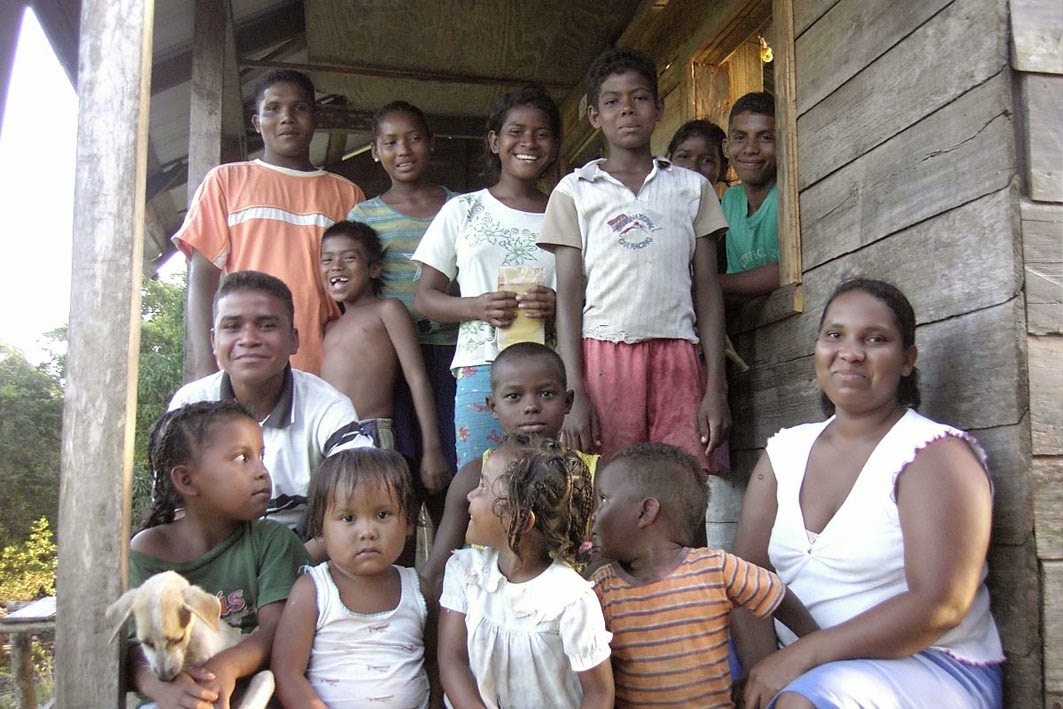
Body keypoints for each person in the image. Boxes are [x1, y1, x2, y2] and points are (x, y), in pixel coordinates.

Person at [732, 278, 1005, 709]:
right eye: (835, 335)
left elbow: (941, 603)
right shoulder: (785, 452)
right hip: (798, 662)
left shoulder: (932, 455)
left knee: (801, 704)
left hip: (924, 664)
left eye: (875, 339)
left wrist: (800, 661)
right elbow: (744, 581)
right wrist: (761, 671)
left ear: (906, 360)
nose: (851, 352)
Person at [537, 47, 730, 472]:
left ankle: (689, 545)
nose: (627, 110)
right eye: (612, 102)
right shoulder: (575, 191)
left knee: (683, 481)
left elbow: (708, 290)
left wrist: (716, 387)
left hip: (678, 352)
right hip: (603, 354)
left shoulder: (691, 188)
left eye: (640, 98)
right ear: (594, 116)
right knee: (608, 487)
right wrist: (575, 392)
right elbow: (567, 297)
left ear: (660, 108)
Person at [590, 442, 816, 707]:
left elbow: (776, 595)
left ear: (646, 512)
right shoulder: (602, 588)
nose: (594, 514)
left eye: (603, 499)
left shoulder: (716, 569)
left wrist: (815, 646)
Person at [176, 69, 366, 377]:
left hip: (324, 367)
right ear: (256, 122)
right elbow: (203, 278)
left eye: (299, 108)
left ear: (315, 119)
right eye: (273, 108)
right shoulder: (226, 181)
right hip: (244, 365)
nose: (287, 117)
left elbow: (359, 294)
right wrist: (205, 367)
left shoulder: (346, 194)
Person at [413, 85, 560, 468]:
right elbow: (425, 297)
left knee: (554, 487)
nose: (528, 142)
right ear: (495, 141)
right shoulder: (463, 210)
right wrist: (476, 306)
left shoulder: (569, 212)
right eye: (516, 132)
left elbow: (594, 291)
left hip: (553, 375)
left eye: (541, 133)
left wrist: (559, 304)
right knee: (484, 482)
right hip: (482, 367)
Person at [128, 401, 311, 707]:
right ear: (186, 480)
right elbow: (133, 645)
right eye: (242, 458)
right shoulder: (148, 553)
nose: (261, 472)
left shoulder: (272, 542)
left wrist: (230, 665)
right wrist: (161, 689)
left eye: (260, 456)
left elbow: (280, 630)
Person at [168, 271, 372, 542]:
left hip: (304, 558)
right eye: (232, 326)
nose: (249, 339)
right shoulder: (189, 406)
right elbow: (175, 511)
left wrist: (283, 570)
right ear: (213, 341)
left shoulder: (327, 407)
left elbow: (359, 505)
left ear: (293, 340)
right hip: (214, 557)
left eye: (266, 325)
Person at [348, 100, 460, 528]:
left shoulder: (460, 207)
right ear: (375, 151)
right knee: (400, 475)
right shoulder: (365, 215)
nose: (404, 150)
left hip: (452, 353)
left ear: (431, 144)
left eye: (414, 138)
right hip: (393, 362)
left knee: (452, 469)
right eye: (390, 142)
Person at [438, 438, 614, 708]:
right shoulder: (465, 572)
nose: (470, 495)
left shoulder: (569, 599)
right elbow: (452, 660)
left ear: (520, 519)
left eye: (483, 486)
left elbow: (598, 693)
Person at [420, 342, 597, 599]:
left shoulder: (591, 474)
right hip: (487, 617)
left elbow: (602, 565)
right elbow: (435, 575)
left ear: (568, 401)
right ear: (493, 407)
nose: (531, 407)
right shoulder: (473, 478)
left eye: (547, 394)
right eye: (514, 396)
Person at [271, 448, 438, 708]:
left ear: (408, 522)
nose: (368, 531)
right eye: (348, 518)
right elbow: (287, 674)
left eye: (382, 515)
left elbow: (434, 664)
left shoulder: (419, 590)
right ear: (320, 531)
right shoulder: (313, 590)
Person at [319, 220, 450, 488]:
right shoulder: (330, 327)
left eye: (349, 258)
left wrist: (432, 450)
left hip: (373, 435)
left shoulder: (387, 310)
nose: (336, 266)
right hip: (330, 437)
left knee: (381, 511)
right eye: (327, 260)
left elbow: (417, 379)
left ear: (374, 268)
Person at [718, 91, 779, 299]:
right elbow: (737, 276)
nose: (751, 149)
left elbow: (788, 270)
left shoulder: (788, 194)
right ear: (726, 148)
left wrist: (708, 283)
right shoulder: (731, 201)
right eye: (740, 137)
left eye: (765, 137)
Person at [667, 118, 729, 196]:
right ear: (668, 161)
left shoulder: (726, 208)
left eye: (706, 160)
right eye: (684, 157)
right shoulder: (652, 206)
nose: (693, 168)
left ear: (722, 170)